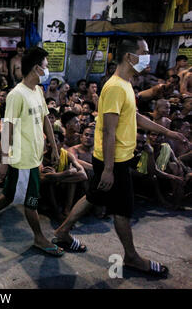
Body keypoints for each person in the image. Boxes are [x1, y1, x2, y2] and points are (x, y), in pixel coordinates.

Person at [52, 36, 188, 277]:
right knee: (123, 210)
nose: (148, 56)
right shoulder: (115, 87)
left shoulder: (126, 83)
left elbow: (135, 117)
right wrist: (108, 169)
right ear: (129, 56)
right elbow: (108, 130)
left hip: (113, 159)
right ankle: (133, 257)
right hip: (113, 161)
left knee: (92, 196)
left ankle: (62, 233)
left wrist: (169, 132)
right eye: (144, 51)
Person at [0, 46, 64, 257]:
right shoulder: (16, 94)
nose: (48, 71)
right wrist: (4, 161)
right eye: (46, 66)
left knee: (10, 194)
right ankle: (40, 238)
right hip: (21, 159)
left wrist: (55, 148)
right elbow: (8, 129)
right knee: (31, 201)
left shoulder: (38, 91)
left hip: (34, 156)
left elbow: (45, 121)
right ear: (36, 68)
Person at [40, 131, 87, 220]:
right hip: (44, 193)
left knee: (73, 180)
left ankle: (67, 210)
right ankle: (56, 212)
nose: (50, 145)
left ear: (61, 144)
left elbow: (83, 175)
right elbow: (40, 179)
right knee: (48, 182)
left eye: (55, 141)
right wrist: (65, 173)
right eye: (48, 141)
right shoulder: (40, 156)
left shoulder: (67, 155)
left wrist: (56, 177)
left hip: (60, 189)